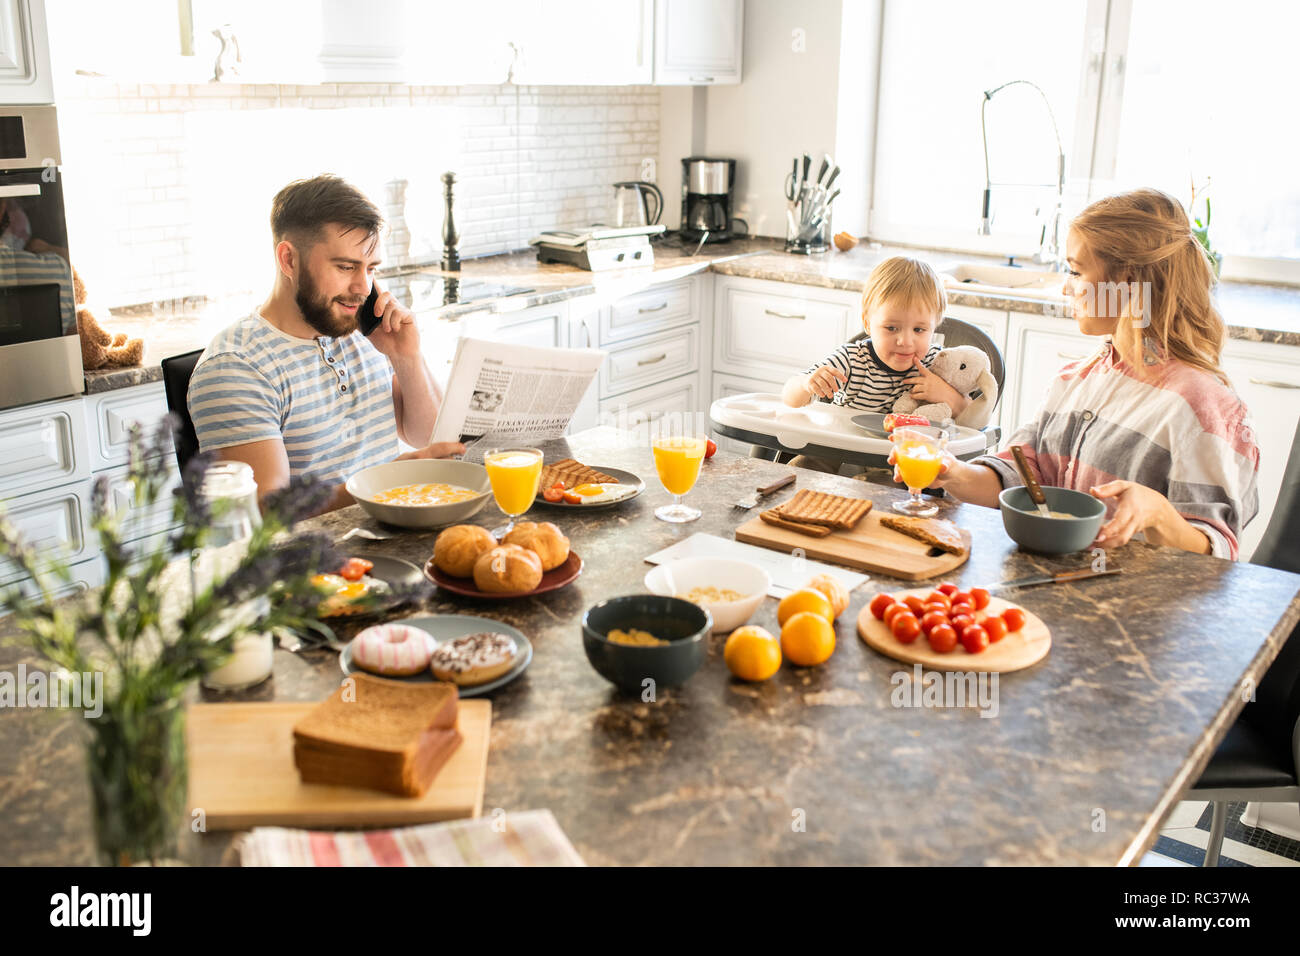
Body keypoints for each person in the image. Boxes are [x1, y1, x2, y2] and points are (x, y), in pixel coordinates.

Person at [902, 188, 1259, 558]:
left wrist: (1158, 514)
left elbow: (1217, 556)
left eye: (1075, 270)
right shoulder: (1074, 381)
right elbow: (1021, 477)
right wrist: (951, 472)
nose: (1066, 287)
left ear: (1127, 282)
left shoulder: (1200, 405)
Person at [187, 174, 464, 513]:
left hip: (390, 530)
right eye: (346, 267)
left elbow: (427, 437)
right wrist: (383, 484)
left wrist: (407, 357)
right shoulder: (237, 366)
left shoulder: (363, 332)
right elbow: (268, 514)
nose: (363, 287)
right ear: (289, 260)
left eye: (371, 269)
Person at [780, 255, 969, 474]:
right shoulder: (852, 359)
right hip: (839, 451)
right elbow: (789, 398)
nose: (906, 341)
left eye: (919, 330)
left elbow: (971, 418)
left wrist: (947, 394)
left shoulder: (937, 364)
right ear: (868, 323)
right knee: (804, 467)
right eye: (891, 328)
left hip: (902, 463)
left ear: (935, 327)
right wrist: (805, 384)